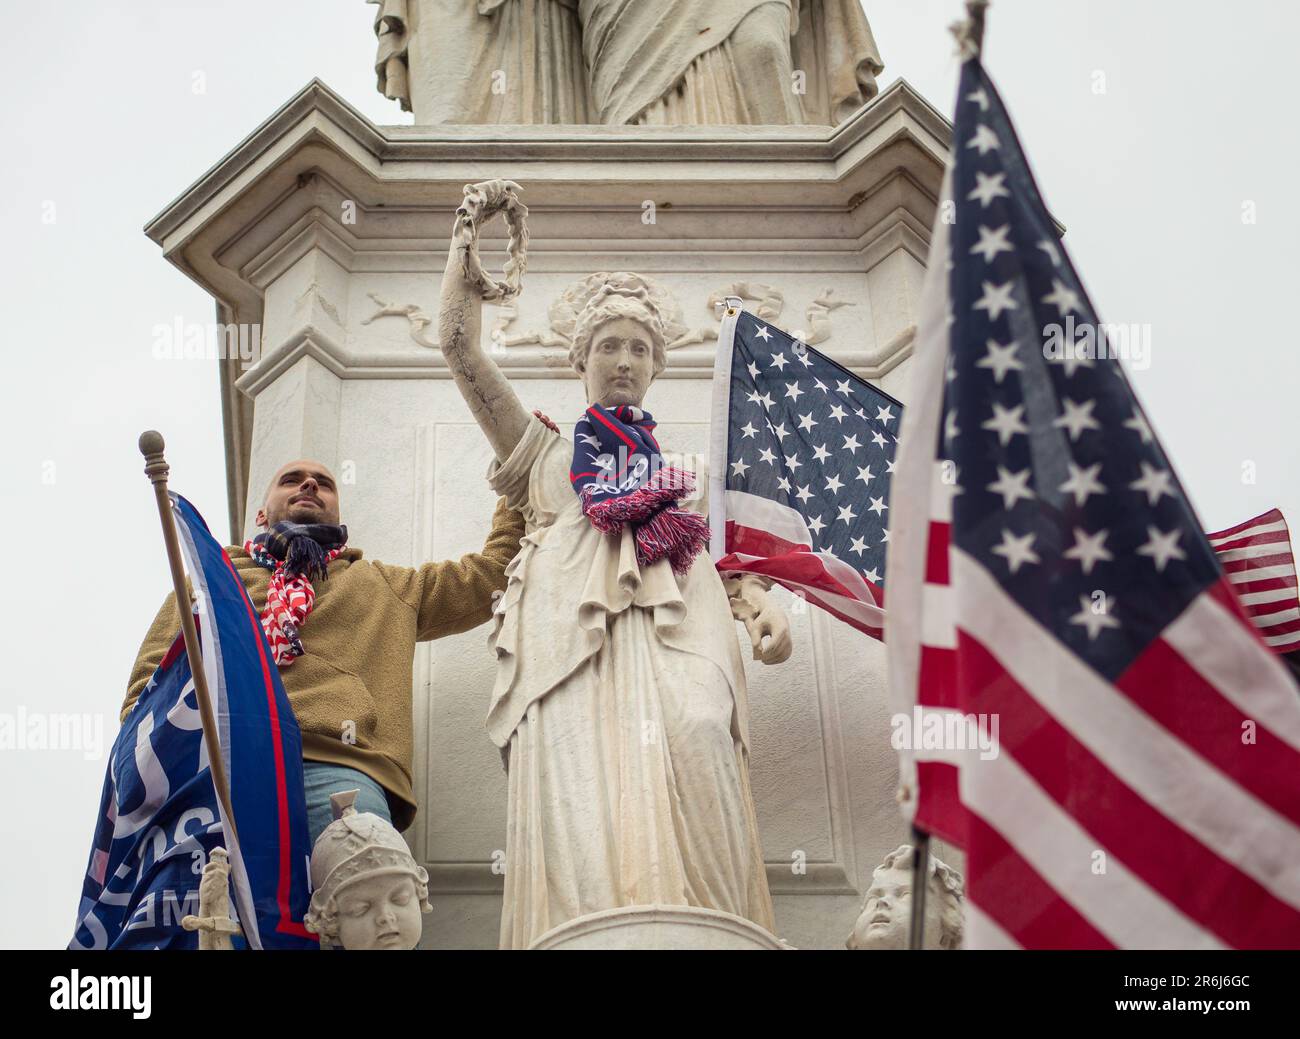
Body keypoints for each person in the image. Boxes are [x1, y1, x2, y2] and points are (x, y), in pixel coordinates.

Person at [437, 180, 794, 948]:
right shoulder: (545, 453)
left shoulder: (691, 473)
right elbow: (460, 352)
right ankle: (588, 927)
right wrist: (466, 248)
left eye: (638, 347)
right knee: (578, 767)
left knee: (701, 730)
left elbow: (734, 564)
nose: (624, 360)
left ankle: (709, 924)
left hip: (684, 625)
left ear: (657, 365)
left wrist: (761, 603)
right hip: (570, 639)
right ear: (582, 360)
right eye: (609, 345)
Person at [122, 457, 525, 843]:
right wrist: (146, 770)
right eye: (291, 479)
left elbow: (492, 574)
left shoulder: (386, 586)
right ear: (261, 515)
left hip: (341, 769)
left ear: (337, 514)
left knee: (373, 890)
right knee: (207, 910)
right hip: (213, 770)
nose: (310, 484)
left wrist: (517, 472)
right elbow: (148, 683)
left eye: (324, 483)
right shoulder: (208, 582)